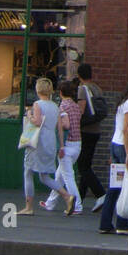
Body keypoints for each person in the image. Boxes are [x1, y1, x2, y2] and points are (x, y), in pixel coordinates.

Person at [99, 74, 128, 234]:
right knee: (127, 183)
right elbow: (126, 129)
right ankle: (122, 223)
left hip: (116, 143)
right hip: (123, 145)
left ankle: (106, 223)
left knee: (116, 185)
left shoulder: (125, 102)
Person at [19, 78, 71, 216]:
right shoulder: (55, 106)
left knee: (28, 172)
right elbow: (60, 128)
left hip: (38, 142)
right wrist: (61, 146)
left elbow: (37, 122)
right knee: (44, 176)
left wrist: (29, 114)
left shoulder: (37, 104)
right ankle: (66, 196)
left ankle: (28, 207)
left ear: (38, 90)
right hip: (50, 141)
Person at [75, 63, 106, 211]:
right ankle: (79, 200)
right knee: (86, 165)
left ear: (79, 75)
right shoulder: (97, 88)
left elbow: (81, 110)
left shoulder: (82, 89)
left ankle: (100, 194)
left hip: (85, 130)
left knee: (82, 166)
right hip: (96, 130)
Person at [51, 78, 84, 215]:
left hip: (67, 144)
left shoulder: (63, 106)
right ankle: (50, 202)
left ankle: (77, 205)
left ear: (60, 92)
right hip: (78, 143)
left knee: (68, 177)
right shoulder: (76, 106)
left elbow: (66, 125)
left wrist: (55, 123)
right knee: (60, 174)